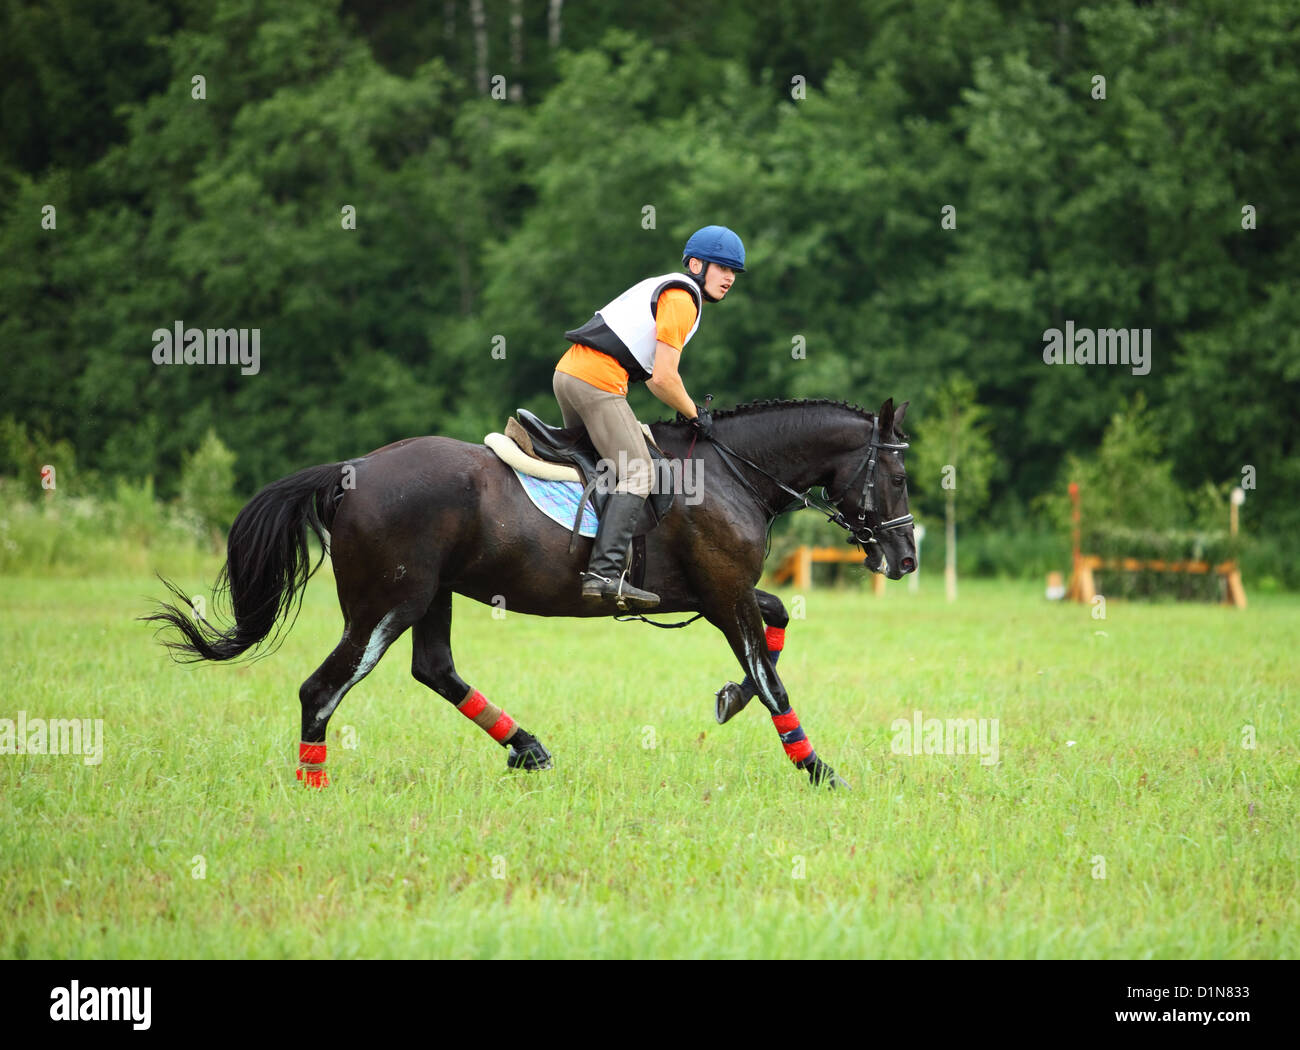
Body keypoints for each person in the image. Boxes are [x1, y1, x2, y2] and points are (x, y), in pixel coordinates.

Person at [554, 224, 745, 610]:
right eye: (722, 268)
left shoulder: (669, 287)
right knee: (638, 472)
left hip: (569, 375)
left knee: (600, 472)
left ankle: (564, 558)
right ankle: (604, 574)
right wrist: (696, 415)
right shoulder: (683, 298)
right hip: (597, 381)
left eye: (733, 272)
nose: (729, 278)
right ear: (696, 265)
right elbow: (663, 379)